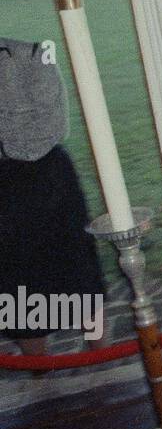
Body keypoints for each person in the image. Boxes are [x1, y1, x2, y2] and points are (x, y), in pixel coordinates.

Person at [0, 38, 109, 364]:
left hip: (33, 174)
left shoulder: (27, 54)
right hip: (35, 173)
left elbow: (48, 116)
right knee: (23, 275)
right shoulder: (30, 53)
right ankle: (47, 367)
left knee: (55, 267)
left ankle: (94, 358)